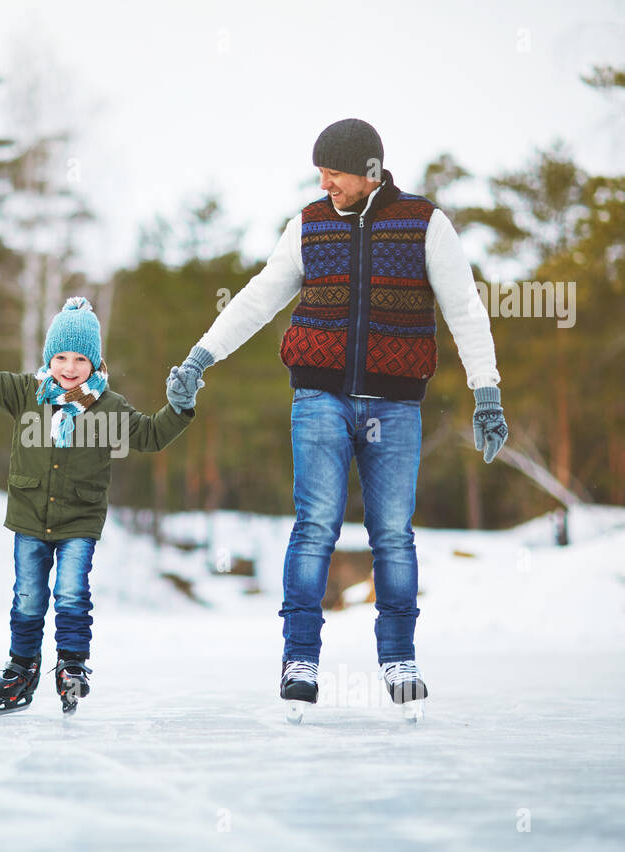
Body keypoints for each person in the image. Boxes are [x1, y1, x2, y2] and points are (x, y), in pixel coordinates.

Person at [165, 118, 509, 722]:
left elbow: (465, 308)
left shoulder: (425, 224)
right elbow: (258, 296)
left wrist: (486, 392)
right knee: (315, 526)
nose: (326, 183)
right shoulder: (309, 223)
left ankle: (399, 658)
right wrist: (199, 357)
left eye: (335, 172)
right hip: (319, 397)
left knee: (393, 534)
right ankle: (300, 659)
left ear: (370, 171)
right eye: (320, 172)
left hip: (395, 403)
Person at [0, 294, 195, 714]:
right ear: (49, 358)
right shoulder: (28, 394)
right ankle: (22, 666)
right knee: (27, 596)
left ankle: (72, 665)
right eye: (61, 357)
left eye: (80, 359)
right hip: (29, 518)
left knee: (70, 593)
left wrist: (181, 405)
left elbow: (152, 435)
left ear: (95, 363)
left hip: (79, 521)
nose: (69, 367)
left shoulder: (109, 407)